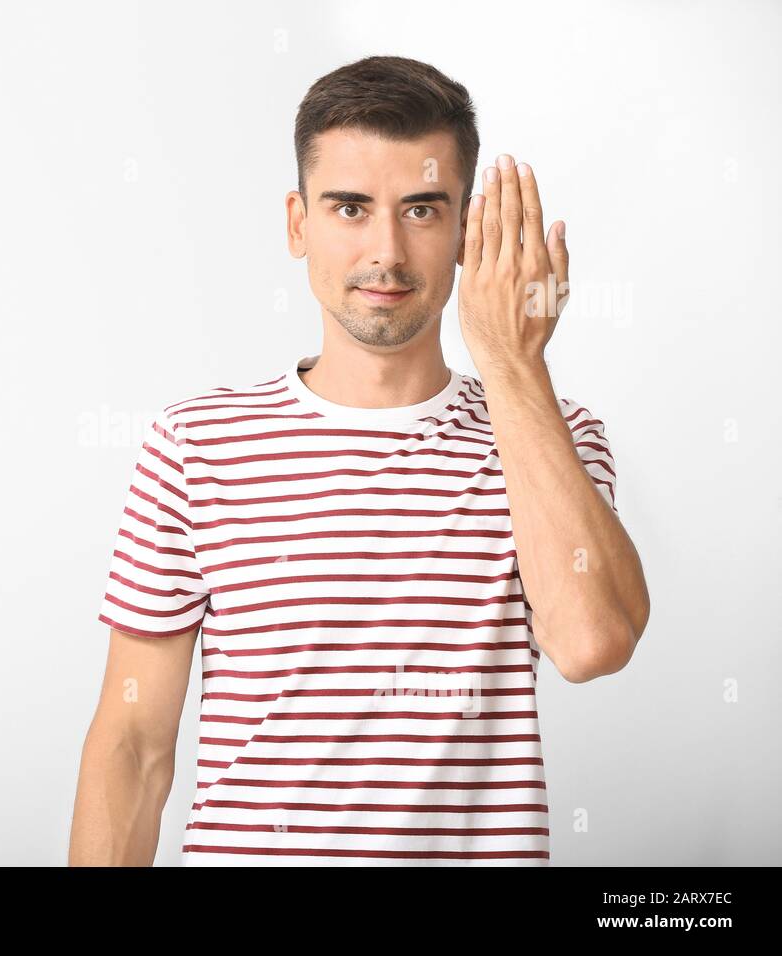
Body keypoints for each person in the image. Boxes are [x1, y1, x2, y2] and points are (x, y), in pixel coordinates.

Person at [69, 55, 650, 867]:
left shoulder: (554, 433)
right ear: (298, 223)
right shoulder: (194, 444)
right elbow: (132, 743)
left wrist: (514, 366)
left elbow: (594, 644)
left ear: (464, 232)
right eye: (349, 207)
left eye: (421, 209)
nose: (387, 251)